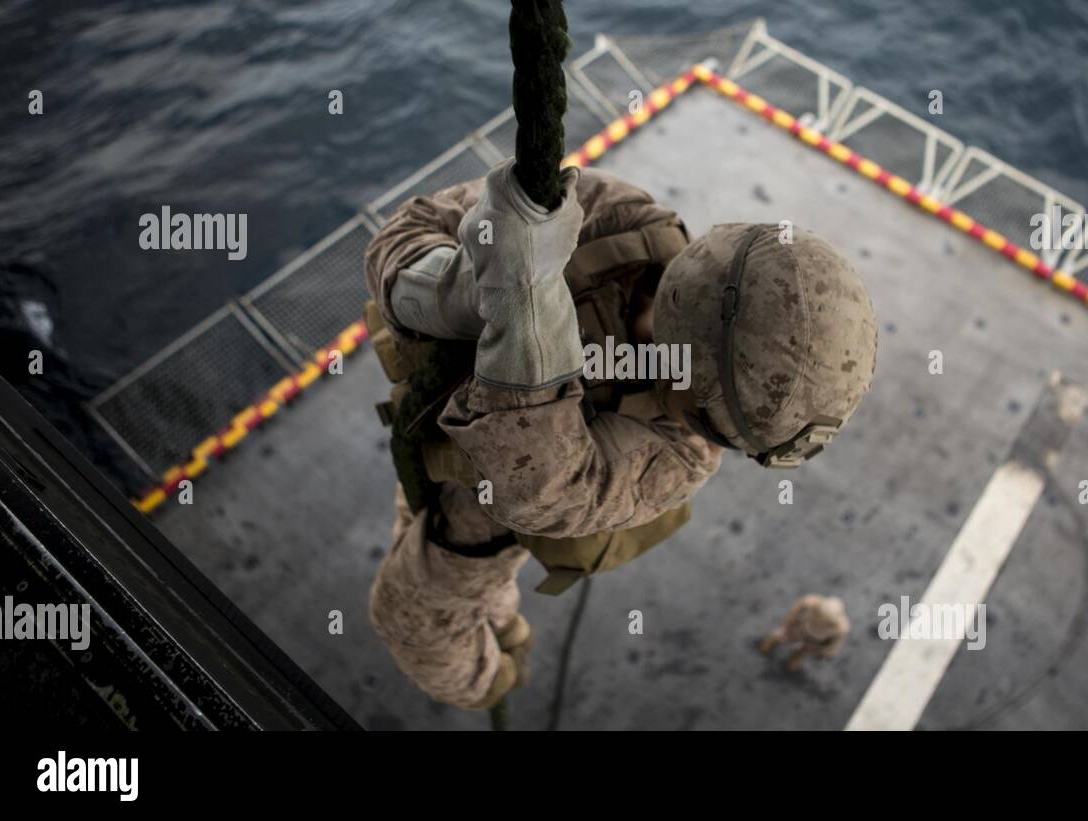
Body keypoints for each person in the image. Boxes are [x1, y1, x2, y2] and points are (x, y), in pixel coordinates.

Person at [363, 158, 876, 709]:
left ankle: (492, 678)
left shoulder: (679, 457)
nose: (712, 447)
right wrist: (461, 289)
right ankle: (500, 646)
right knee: (430, 604)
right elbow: (405, 232)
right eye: (717, 429)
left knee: (414, 615)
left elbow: (538, 489)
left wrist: (515, 302)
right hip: (440, 444)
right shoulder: (617, 217)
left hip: (482, 516)